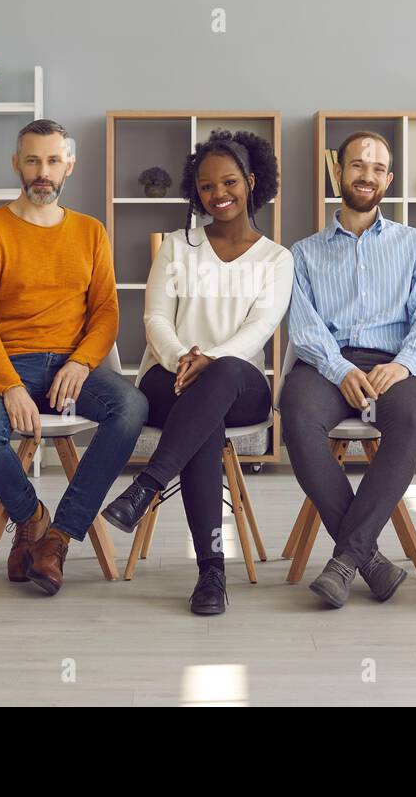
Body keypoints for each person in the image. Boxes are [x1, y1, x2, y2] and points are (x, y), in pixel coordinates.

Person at [100, 130, 293, 615]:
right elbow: (155, 319)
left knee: (219, 380)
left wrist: (212, 359)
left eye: (229, 182)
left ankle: (146, 486)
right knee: (203, 417)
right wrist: (184, 357)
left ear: (251, 182)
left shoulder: (276, 258)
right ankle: (212, 573)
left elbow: (262, 326)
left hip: (239, 379)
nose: (218, 194)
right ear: (196, 191)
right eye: (206, 187)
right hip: (169, 375)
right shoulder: (177, 247)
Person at [0, 119, 148, 596]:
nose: (42, 171)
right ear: (16, 163)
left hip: (70, 366)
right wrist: (10, 385)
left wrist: (82, 362)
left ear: (69, 165)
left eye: (52, 160)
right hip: (6, 362)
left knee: (131, 407)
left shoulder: (90, 231)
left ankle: (59, 537)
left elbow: (106, 311)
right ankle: (32, 515)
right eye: (32, 160)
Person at [281, 130, 416, 608]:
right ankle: (367, 559)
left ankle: (345, 559)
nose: (367, 176)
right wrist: (337, 369)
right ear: (339, 172)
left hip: (393, 363)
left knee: (412, 419)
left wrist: (404, 364)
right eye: (357, 165)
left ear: (389, 179)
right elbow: (304, 327)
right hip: (327, 362)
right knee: (296, 415)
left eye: (377, 169)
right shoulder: (304, 253)